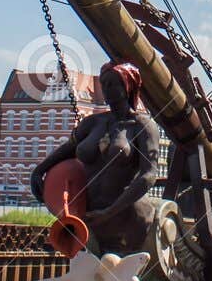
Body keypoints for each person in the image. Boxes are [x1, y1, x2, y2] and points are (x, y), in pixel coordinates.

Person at [31, 60, 160, 255]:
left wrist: (110, 211)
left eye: (112, 84)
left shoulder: (142, 126)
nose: (106, 89)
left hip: (127, 219)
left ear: (127, 87)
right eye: (103, 84)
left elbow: (148, 174)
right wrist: (39, 171)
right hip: (90, 217)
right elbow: (68, 149)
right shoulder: (93, 123)